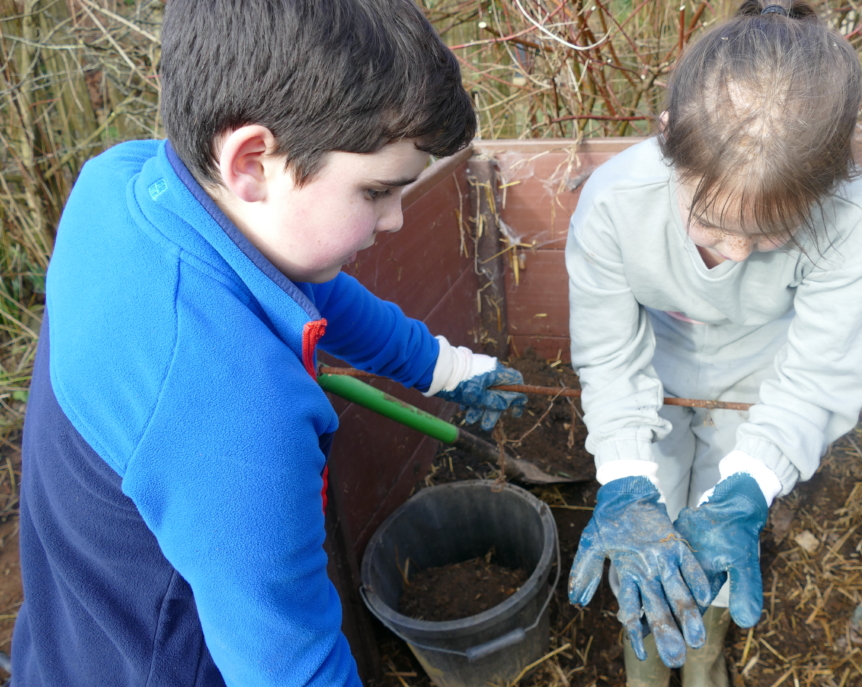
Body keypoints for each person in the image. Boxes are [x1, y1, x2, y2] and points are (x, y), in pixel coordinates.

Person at [11, 1, 525, 686]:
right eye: (377, 191)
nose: (396, 219)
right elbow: (294, 669)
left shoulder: (123, 181)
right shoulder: (235, 413)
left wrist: (443, 367)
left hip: (65, 632)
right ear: (252, 161)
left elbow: (301, 280)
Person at [565, 2, 862, 686]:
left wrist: (752, 483)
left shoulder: (852, 219)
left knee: (719, 528)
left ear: (827, 187)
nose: (738, 253)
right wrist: (625, 474)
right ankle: (645, 661)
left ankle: (704, 654)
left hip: (763, 381)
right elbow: (612, 357)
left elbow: (818, 376)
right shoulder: (616, 203)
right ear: (667, 139)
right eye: (712, 224)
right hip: (651, 371)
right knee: (648, 521)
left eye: (770, 233)